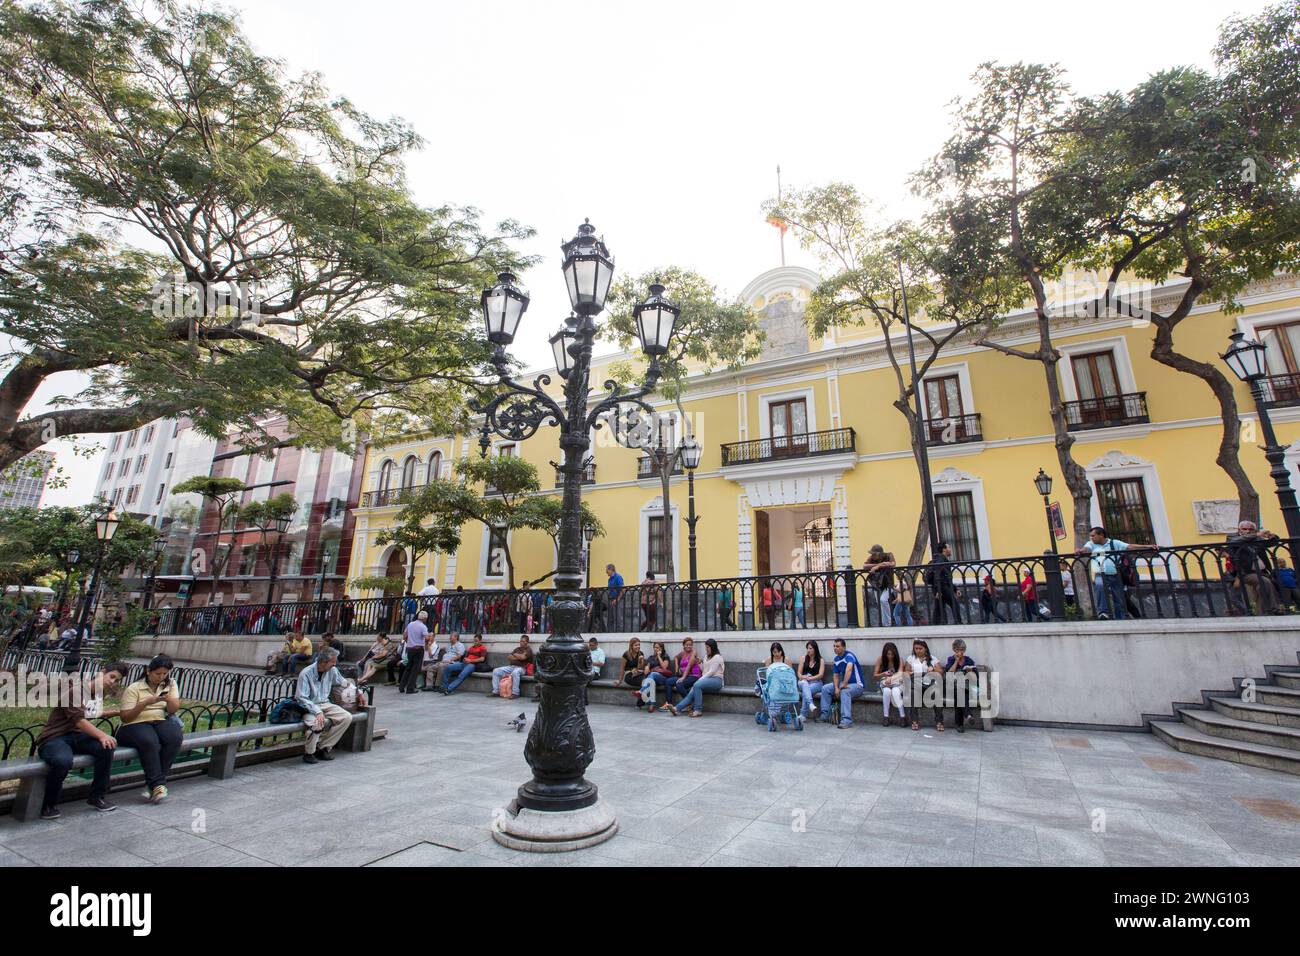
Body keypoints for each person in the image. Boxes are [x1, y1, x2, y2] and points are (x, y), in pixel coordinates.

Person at [35, 660, 131, 818]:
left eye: (116, 680)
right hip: (55, 737)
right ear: (102, 671)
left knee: (106, 748)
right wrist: (102, 734)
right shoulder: (75, 691)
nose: (112, 682)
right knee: (62, 761)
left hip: (77, 736)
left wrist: (113, 712)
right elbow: (79, 720)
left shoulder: (97, 694)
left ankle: (97, 797)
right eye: (111, 676)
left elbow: (91, 713)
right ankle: (48, 804)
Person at [115, 653, 183, 803]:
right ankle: (158, 784)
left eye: (165, 674)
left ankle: (152, 785)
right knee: (149, 741)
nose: (161, 677)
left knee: (174, 737)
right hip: (133, 724)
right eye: (158, 674)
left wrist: (171, 697)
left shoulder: (170, 684)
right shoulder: (134, 688)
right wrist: (144, 703)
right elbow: (125, 717)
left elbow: (172, 710)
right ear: (148, 671)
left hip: (158, 720)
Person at [1076, 526, 1149, 620]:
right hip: (1100, 573)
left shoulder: (1114, 543)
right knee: (1099, 585)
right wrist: (1080, 551)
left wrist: (1148, 546)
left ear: (1101, 535)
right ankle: (1103, 612)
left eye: (1093, 536)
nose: (1091, 538)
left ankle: (1120, 617)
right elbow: (1086, 548)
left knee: (1118, 597)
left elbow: (1129, 546)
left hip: (1116, 574)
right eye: (1090, 536)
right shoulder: (1091, 544)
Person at [296, 646, 354, 763]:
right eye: (332, 662)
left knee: (346, 717)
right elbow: (302, 698)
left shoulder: (332, 670)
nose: (334, 664)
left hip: (325, 704)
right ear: (323, 662)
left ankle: (322, 747)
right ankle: (309, 753)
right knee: (317, 723)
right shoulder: (306, 673)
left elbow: (343, 682)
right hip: (309, 707)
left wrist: (358, 691)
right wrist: (317, 711)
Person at [1225, 521, 1282, 615]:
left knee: (1263, 587)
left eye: (1251, 529)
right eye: (1245, 529)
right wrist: (1257, 534)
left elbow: (1274, 542)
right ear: (1239, 529)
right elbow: (1234, 542)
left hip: (1262, 571)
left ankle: (1262, 613)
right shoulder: (1232, 537)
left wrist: (1271, 536)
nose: (1247, 531)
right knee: (1264, 582)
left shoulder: (1256, 538)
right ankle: (1274, 608)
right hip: (1245, 572)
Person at [665, 638, 723, 717]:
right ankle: (676, 709)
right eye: (706, 647)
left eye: (708, 647)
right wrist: (699, 663)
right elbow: (704, 670)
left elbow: (711, 672)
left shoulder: (717, 657)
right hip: (706, 680)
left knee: (696, 685)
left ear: (713, 647)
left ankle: (698, 710)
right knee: (691, 692)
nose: (706, 649)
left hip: (716, 680)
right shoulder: (706, 656)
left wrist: (699, 680)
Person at [818, 638, 866, 729]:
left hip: (857, 685)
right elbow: (836, 675)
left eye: (838, 646)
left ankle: (847, 720)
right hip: (844, 684)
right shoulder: (836, 659)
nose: (835, 648)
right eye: (834, 646)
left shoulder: (849, 656)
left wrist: (843, 684)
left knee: (845, 691)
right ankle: (825, 715)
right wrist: (836, 688)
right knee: (825, 688)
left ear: (843, 647)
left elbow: (849, 669)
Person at [942, 638, 979, 733]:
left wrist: (970, 671)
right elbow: (949, 673)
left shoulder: (968, 660)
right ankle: (968, 715)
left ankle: (960, 724)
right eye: (958, 650)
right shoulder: (950, 659)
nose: (960, 652)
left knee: (960, 694)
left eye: (962, 650)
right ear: (954, 650)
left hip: (966, 687)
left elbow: (975, 676)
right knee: (959, 692)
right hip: (953, 687)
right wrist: (956, 661)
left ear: (964, 650)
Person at [904, 639, 941, 732]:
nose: (918, 650)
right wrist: (910, 673)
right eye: (916, 648)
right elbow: (906, 672)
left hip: (929, 684)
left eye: (920, 648)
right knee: (912, 694)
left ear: (925, 649)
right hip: (916, 684)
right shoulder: (911, 658)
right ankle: (914, 721)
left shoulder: (932, 659)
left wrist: (932, 670)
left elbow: (941, 672)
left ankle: (939, 721)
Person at [925, 542, 961, 624]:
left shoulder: (943, 560)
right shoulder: (940, 560)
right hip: (942, 587)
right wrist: (938, 590)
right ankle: (958, 623)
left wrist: (955, 589)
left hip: (942, 587)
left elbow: (947, 578)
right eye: (949, 547)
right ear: (944, 549)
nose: (950, 549)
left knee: (939, 607)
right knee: (954, 603)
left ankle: (936, 624)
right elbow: (937, 576)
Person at [873, 641, 906, 726]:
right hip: (885, 684)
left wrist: (891, 678)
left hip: (897, 683)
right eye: (888, 654)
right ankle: (886, 717)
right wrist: (884, 674)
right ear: (885, 653)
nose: (890, 656)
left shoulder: (900, 660)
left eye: (892, 654)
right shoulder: (880, 659)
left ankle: (903, 717)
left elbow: (900, 673)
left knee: (895, 691)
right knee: (887, 691)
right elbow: (875, 676)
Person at [490, 634, 533, 698]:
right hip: (511, 667)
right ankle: (496, 691)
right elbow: (509, 657)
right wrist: (518, 656)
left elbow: (523, 658)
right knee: (496, 671)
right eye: (521, 641)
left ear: (527, 642)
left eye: (523, 641)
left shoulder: (528, 650)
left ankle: (515, 693)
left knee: (515, 672)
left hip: (522, 668)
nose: (521, 643)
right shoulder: (517, 649)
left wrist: (515, 655)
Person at [864, 545, 896, 627]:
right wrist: (881, 564)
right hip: (876, 584)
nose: (872, 556)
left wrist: (878, 566)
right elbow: (865, 566)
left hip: (888, 584)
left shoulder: (889, 555)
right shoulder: (871, 558)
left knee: (883, 600)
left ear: (879, 554)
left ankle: (889, 622)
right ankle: (884, 623)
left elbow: (893, 564)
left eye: (874, 554)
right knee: (880, 603)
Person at [666, 637, 702, 709]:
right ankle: (669, 704)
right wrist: (677, 667)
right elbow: (676, 657)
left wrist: (683, 677)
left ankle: (688, 703)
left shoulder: (694, 653)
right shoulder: (682, 653)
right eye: (687, 644)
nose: (688, 646)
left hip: (694, 676)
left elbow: (689, 665)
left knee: (679, 684)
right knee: (668, 681)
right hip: (684, 676)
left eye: (690, 645)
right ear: (683, 645)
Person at [399, 611, 430, 694]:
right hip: (418, 648)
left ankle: (401, 686)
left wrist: (408, 641)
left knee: (408, 667)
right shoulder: (423, 627)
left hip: (409, 648)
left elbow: (405, 635)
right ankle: (410, 688)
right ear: (425, 618)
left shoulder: (410, 624)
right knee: (415, 669)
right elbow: (427, 638)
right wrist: (426, 643)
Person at [639, 640, 673, 712]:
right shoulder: (651, 657)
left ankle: (642, 691)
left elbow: (664, 667)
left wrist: (659, 656)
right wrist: (646, 667)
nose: (656, 649)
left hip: (663, 678)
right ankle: (652, 705)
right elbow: (645, 673)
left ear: (661, 648)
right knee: (651, 680)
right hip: (652, 679)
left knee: (653, 674)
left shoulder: (665, 656)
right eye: (655, 647)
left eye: (658, 648)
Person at [796, 640, 825, 721]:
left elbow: (821, 675)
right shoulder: (803, 658)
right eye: (807, 648)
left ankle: (802, 715)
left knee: (806, 691)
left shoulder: (821, 660)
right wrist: (803, 677)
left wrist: (810, 678)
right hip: (803, 681)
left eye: (810, 648)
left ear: (815, 649)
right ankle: (810, 704)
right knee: (805, 686)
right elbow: (799, 673)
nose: (808, 650)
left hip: (816, 682)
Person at [615, 637, 647, 705]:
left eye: (639, 645)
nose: (638, 647)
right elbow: (622, 668)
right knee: (644, 681)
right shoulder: (626, 654)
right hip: (629, 675)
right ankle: (641, 702)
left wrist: (640, 661)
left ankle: (641, 702)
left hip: (638, 674)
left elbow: (640, 668)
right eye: (635, 645)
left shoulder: (641, 653)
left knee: (646, 680)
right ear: (631, 646)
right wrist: (620, 681)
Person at [606, 564, 624, 629]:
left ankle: (619, 633)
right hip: (611, 599)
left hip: (617, 600)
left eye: (607, 570)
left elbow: (622, 589)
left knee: (617, 617)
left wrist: (617, 599)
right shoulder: (609, 579)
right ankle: (610, 633)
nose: (606, 572)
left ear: (611, 570)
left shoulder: (618, 577)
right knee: (611, 618)